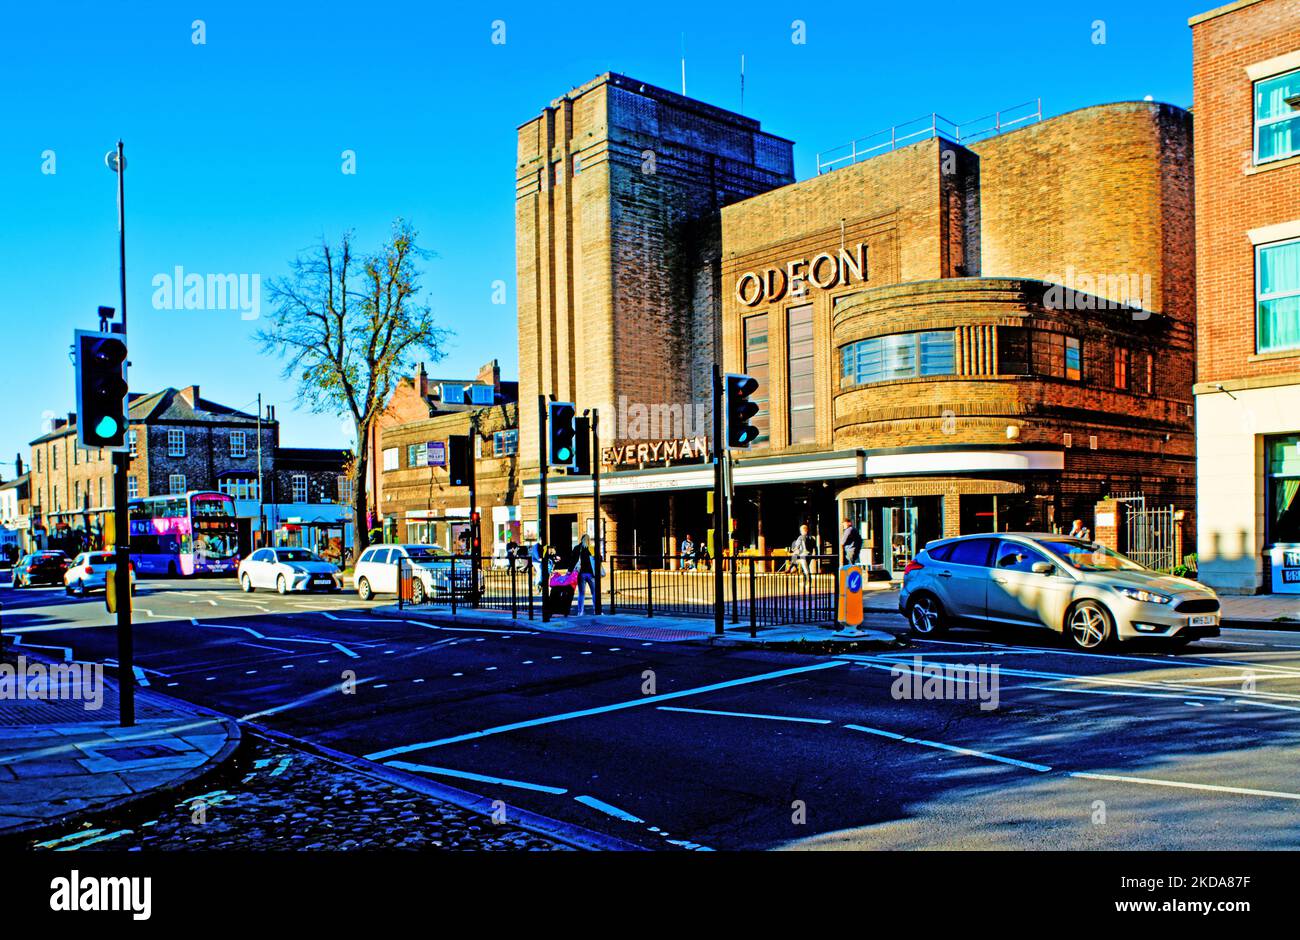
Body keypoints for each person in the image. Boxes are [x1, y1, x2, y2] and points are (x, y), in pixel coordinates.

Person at [571, 535, 597, 614]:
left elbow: (572, 560)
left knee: (581, 593)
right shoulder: (591, 549)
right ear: (589, 540)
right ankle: (597, 610)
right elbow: (598, 559)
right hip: (591, 574)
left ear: (581, 539)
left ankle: (580, 612)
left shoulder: (577, 548)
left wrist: (569, 571)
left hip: (581, 574)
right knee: (594, 592)